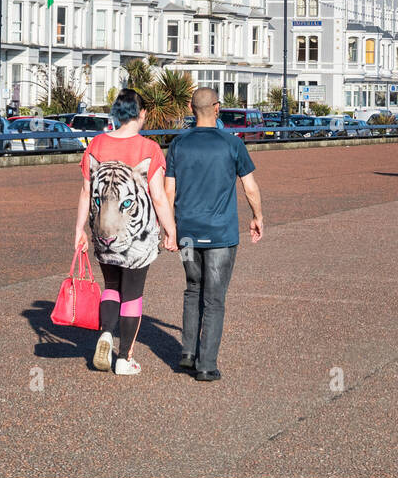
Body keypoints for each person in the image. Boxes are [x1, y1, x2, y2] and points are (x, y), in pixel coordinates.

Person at [73, 88, 177, 377]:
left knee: (111, 287)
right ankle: (124, 358)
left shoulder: (96, 144)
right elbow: (157, 197)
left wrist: (80, 229)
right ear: (142, 113)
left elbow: (85, 192)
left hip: (101, 229)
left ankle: (106, 333)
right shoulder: (149, 149)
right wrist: (171, 230)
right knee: (132, 294)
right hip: (136, 236)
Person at [166, 87, 263, 382]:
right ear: (218, 107)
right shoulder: (232, 144)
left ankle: (188, 352)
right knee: (215, 298)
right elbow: (249, 186)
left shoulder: (178, 145)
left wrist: (169, 230)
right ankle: (206, 364)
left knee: (192, 287)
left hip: (186, 234)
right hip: (221, 233)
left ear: (190, 107)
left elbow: (169, 190)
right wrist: (257, 217)